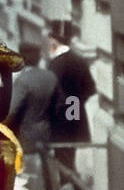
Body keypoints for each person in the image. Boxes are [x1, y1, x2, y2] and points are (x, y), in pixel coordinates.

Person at [47, 22, 96, 178]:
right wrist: (74, 103)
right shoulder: (79, 60)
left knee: (63, 160)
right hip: (74, 113)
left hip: (60, 117)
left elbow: (51, 92)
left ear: (54, 41)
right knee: (69, 156)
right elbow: (90, 89)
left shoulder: (55, 64)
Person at [8, 40, 58, 159]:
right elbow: (59, 106)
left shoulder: (23, 81)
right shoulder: (51, 77)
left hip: (25, 138)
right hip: (46, 134)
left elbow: (11, 111)